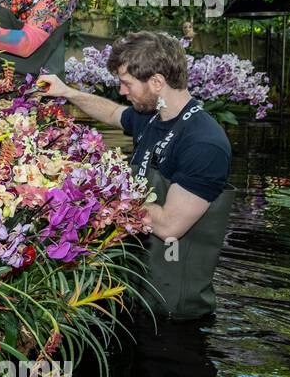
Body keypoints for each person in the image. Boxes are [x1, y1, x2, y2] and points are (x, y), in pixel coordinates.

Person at [38, 31, 234, 320]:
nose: (121, 91)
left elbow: (169, 226)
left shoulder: (204, 143)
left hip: (171, 312)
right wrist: (66, 92)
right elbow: (114, 113)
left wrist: (98, 193)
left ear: (157, 82)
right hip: (136, 291)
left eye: (127, 83)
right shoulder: (154, 117)